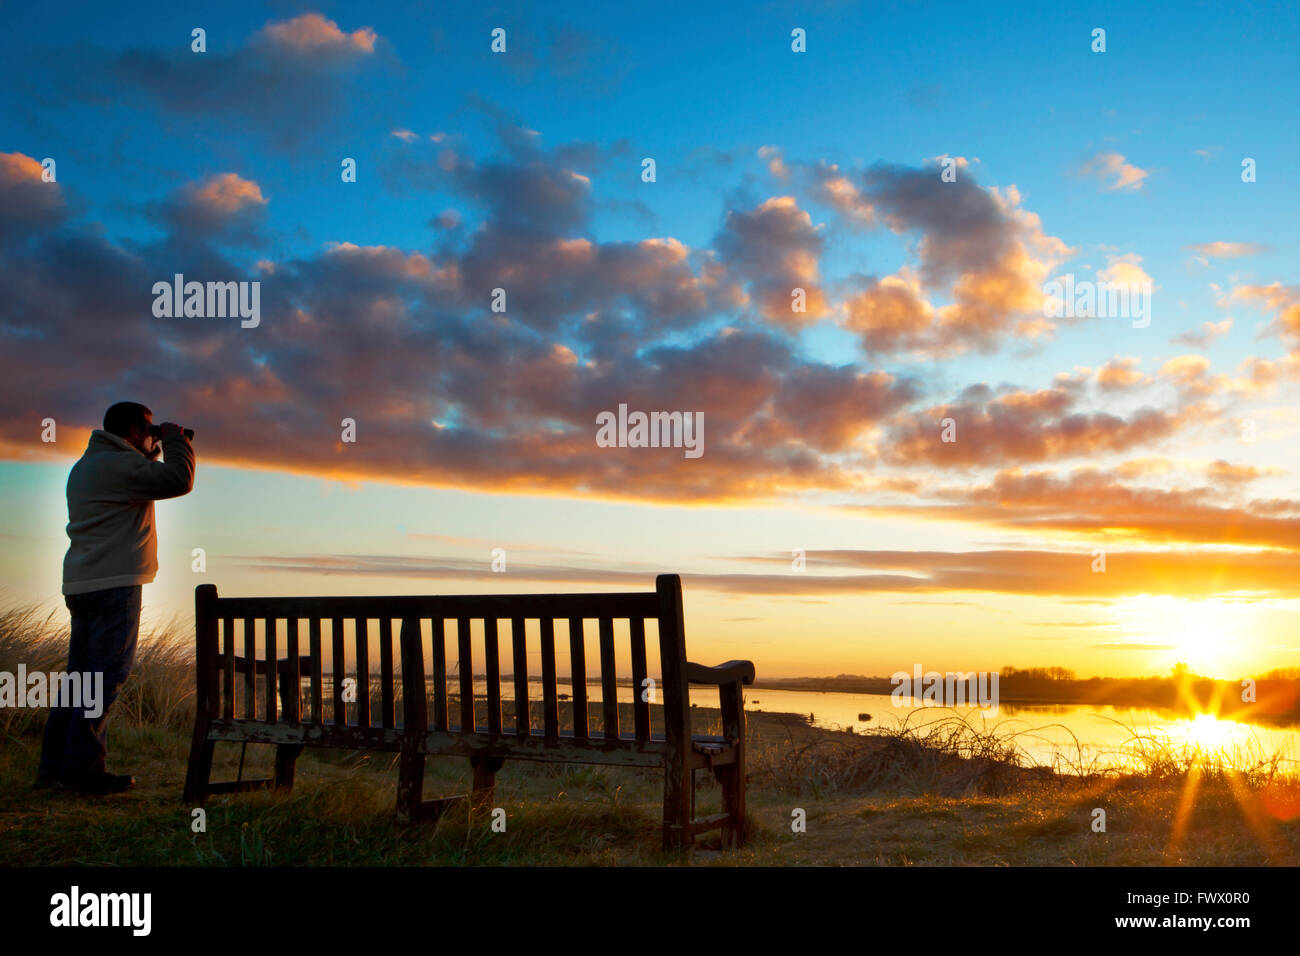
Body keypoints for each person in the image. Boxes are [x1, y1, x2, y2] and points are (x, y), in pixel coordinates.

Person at [36, 402, 195, 794]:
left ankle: (53, 770)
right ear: (132, 429)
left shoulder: (89, 465)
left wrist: (152, 447)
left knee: (79, 680)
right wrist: (175, 440)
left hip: (82, 583)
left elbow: (144, 474)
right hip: (115, 586)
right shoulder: (120, 467)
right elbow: (178, 479)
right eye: (148, 430)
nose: (152, 436)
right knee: (105, 678)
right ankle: (84, 772)